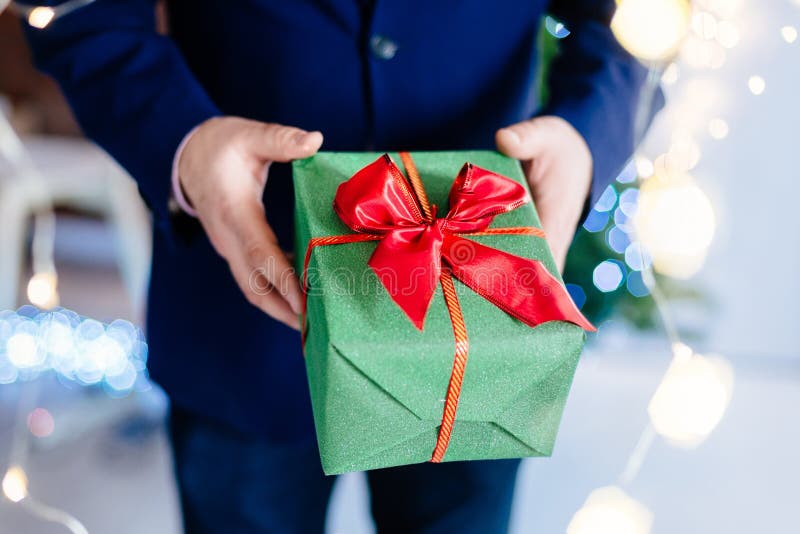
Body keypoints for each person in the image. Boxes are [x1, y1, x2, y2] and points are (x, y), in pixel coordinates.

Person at [23, 1, 657, 532]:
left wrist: (585, 135)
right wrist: (184, 139)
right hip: (242, 315)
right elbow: (80, 8)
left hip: (480, 324)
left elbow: (636, 19)